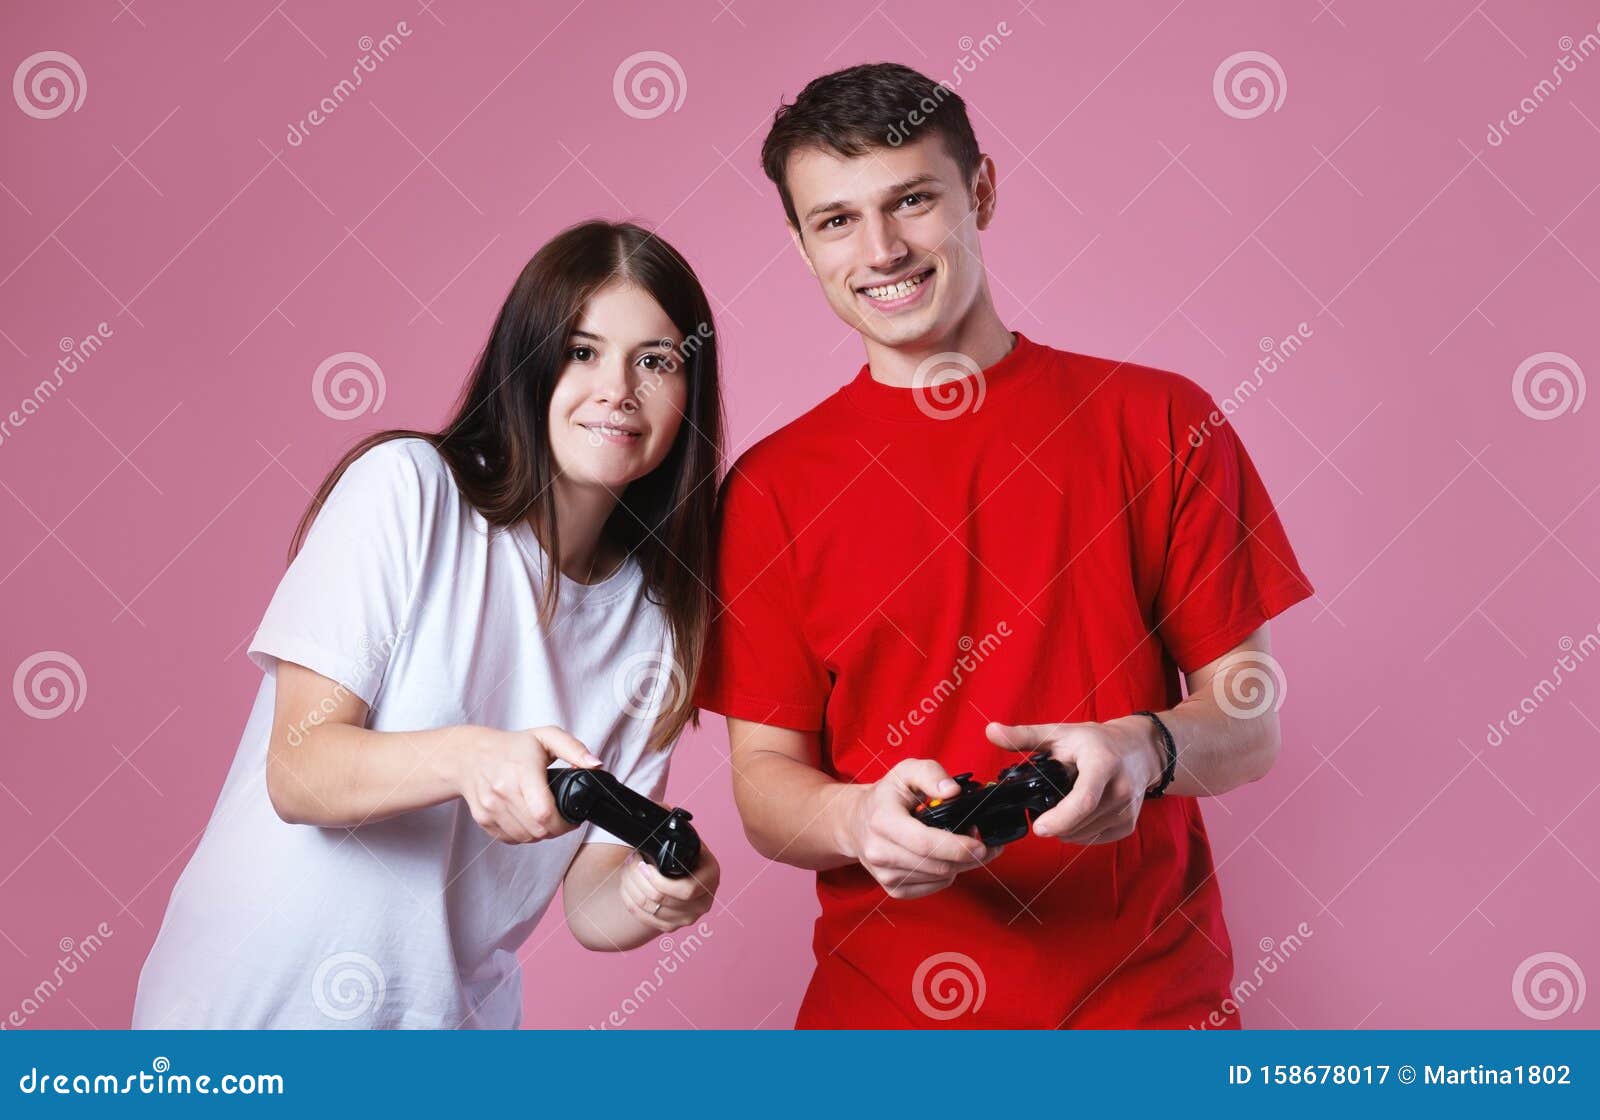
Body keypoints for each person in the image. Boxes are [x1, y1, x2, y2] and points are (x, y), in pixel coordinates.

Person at [693, 63, 1315, 1028]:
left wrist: (1143, 748)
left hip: (1147, 1019)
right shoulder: (771, 490)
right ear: (803, 244)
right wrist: (856, 818)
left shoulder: (1162, 422)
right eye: (838, 220)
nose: (883, 250)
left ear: (980, 191)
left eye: (912, 200)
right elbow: (765, 787)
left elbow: (1250, 717)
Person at [134, 220, 724, 1028]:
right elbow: (300, 771)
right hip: (248, 1020)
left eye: (655, 361)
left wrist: (654, 892)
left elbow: (592, 901)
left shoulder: (658, 623)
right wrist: (470, 757)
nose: (618, 388)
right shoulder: (407, 489)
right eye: (581, 351)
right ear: (528, 362)